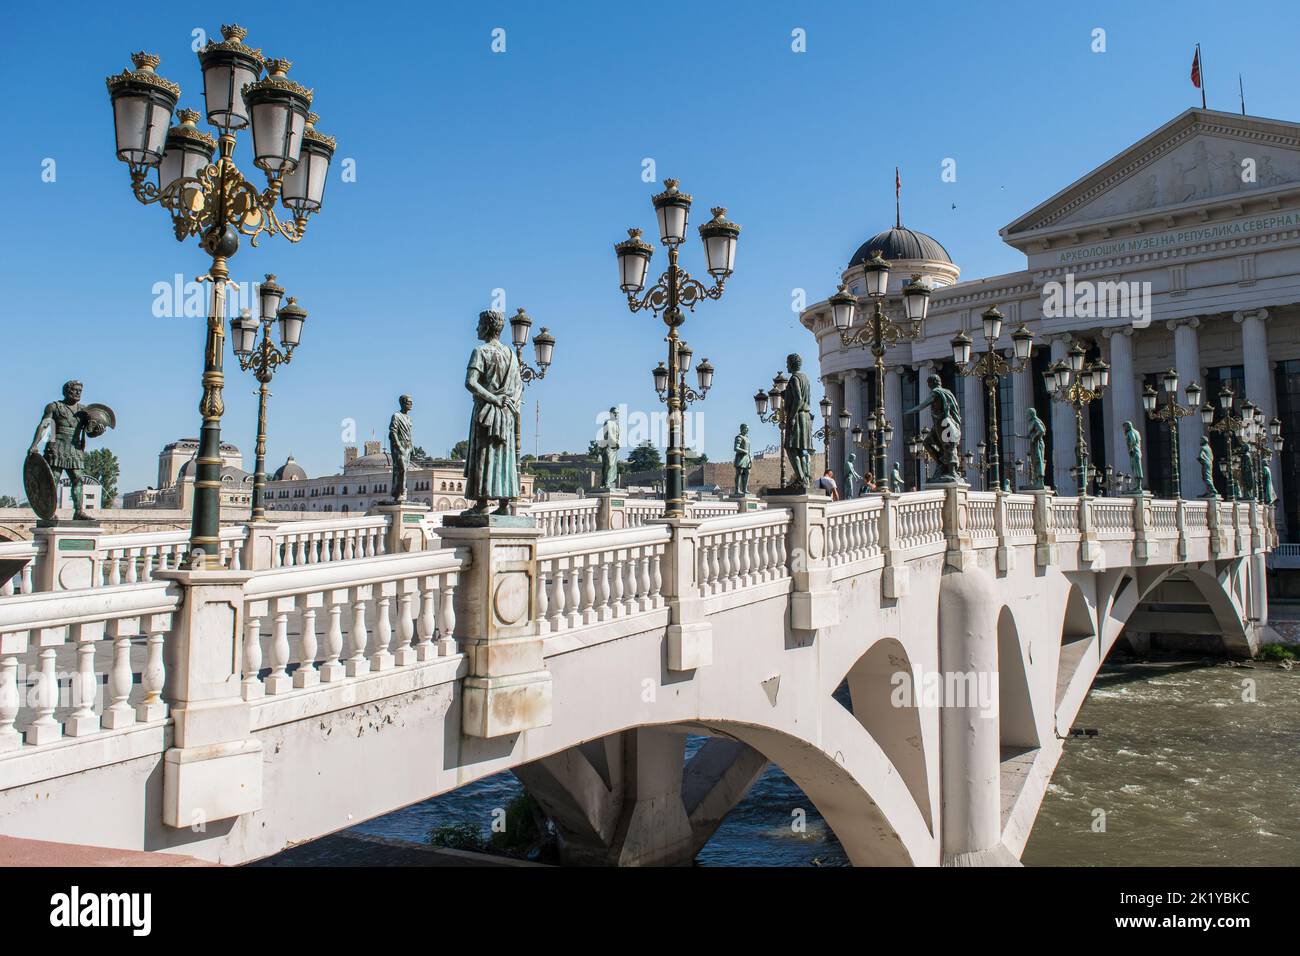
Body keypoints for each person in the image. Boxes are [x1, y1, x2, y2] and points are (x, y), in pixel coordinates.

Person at [462, 310, 523, 515]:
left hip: (486, 412)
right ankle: (505, 504)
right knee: (504, 457)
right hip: (506, 414)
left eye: (479, 324)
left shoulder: (481, 351)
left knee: (484, 455)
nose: (476, 328)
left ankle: (481, 504)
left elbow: (470, 383)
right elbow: (518, 387)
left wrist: (493, 398)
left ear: (487, 327)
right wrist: (509, 403)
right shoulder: (512, 355)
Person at [782, 354, 814, 490]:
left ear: (792, 364)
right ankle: (805, 478)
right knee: (801, 450)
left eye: (787, 363)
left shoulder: (794, 378)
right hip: (806, 416)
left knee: (790, 447)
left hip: (797, 415)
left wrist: (791, 417)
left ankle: (800, 479)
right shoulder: (805, 378)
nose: (786, 366)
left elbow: (798, 399)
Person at [388, 395, 414, 502]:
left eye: (412, 402)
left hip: (408, 446)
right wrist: (398, 446)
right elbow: (393, 432)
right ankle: (399, 492)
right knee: (401, 469)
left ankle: (401, 492)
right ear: (403, 403)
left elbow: (409, 433)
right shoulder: (396, 416)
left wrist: (412, 446)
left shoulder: (409, 418)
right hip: (399, 446)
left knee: (405, 470)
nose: (411, 404)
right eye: (409, 402)